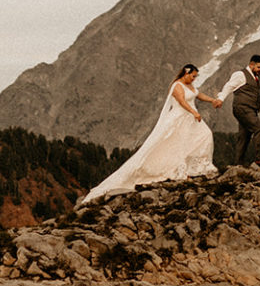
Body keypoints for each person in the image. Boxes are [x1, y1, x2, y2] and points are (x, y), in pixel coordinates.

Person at [80, 65, 218, 203]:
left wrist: (212, 100)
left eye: (196, 77)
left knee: (205, 135)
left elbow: (198, 95)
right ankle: (179, 169)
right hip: (180, 117)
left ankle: (198, 166)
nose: (194, 79)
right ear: (186, 73)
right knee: (177, 144)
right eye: (193, 76)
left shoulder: (190, 86)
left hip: (190, 118)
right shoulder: (177, 86)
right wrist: (193, 112)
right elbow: (181, 101)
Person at [215, 53, 260, 166]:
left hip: (252, 109)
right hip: (241, 108)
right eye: (258, 67)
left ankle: (238, 164)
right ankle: (259, 158)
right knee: (258, 128)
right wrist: (220, 99)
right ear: (251, 65)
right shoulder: (240, 75)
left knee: (244, 136)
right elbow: (229, 86)